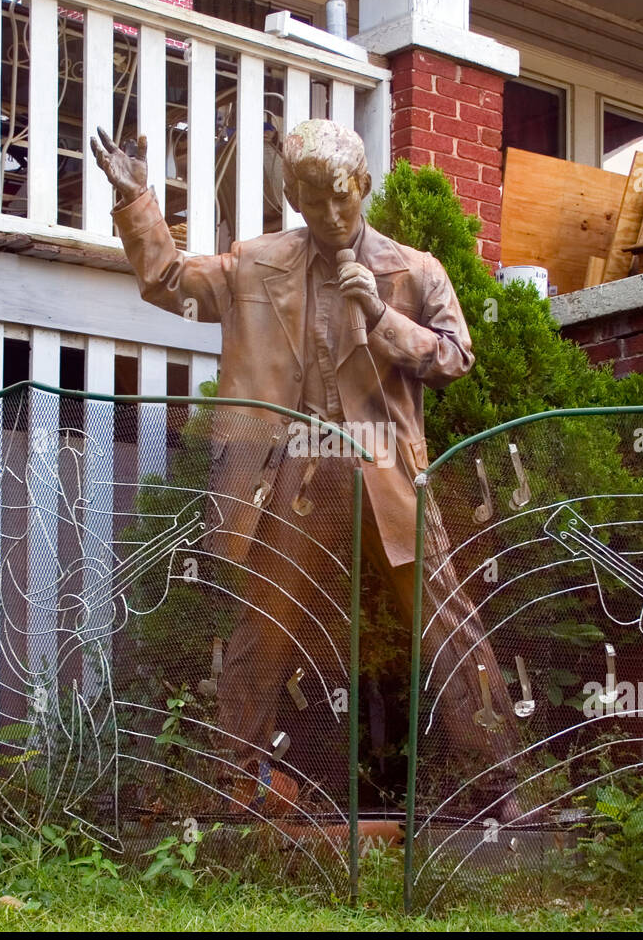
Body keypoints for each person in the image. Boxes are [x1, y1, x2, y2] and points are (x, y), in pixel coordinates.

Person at [90, 119, 518, 817]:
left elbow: (455, 358)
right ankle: (232, 786)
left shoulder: (416, 271)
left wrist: (380, 314)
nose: (331, 215)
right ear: (292, 196)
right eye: (314, 201)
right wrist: (138, 201)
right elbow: (170, 280)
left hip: (384, 466)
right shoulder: (255, 264)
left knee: (444, 618)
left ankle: (502, 781)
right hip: (290, 473)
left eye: (343, 198)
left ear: (366, 187)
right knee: (265, 624)